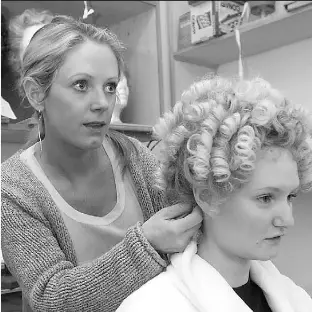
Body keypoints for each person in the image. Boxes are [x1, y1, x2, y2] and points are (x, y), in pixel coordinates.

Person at [1, 15, 202, 312]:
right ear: (36, 93)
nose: (102, 103)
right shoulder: (12, 190)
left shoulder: (133, 156)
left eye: (109, 86)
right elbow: (51, 299)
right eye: (81, 85)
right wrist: (148, 245)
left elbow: (191, 235)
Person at [116, 75, 312, 312]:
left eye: (290, 197)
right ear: (207, 196)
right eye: (265, 198)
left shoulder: (296, 300)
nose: (288, 220)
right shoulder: (152, 306)